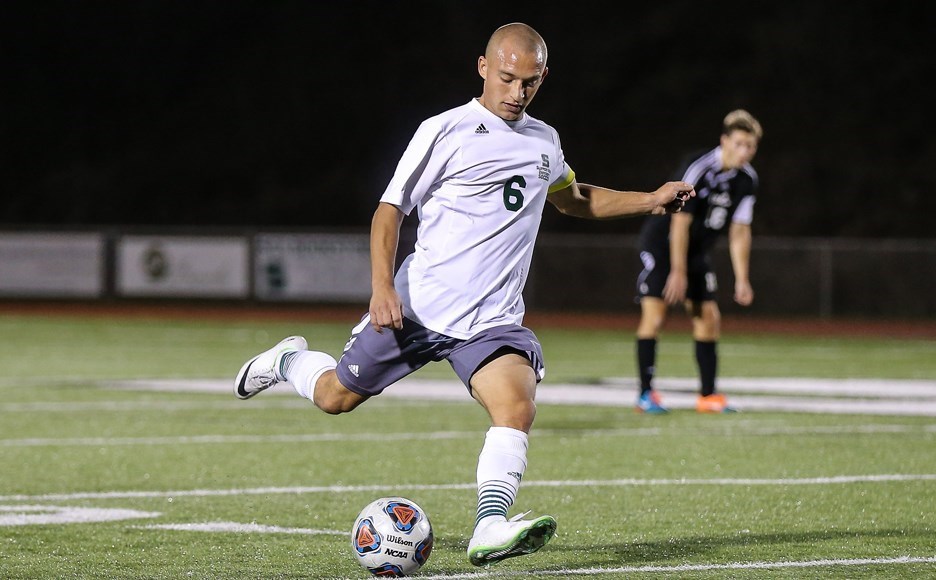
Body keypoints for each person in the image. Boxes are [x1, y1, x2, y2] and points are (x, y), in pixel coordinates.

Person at [234, 23, 692, 567]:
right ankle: (287, 361)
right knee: (336, 397)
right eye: (507, 78)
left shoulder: (544, 140)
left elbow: (573, 198)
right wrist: (382, 287)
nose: (517, 92)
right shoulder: (445, 130)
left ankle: (490, 525)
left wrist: (651, 200)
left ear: (543, 77)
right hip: (418, 308)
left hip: (491, 321)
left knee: (516, 406)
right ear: (483, 67)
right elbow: (390, 210)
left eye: (529, 82)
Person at [633, 110, 762, 414]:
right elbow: (679, 222)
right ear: (724, 141)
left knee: (708, 318)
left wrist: (742, 278)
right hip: (663, 245)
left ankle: (708, 396)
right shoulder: (699, 167)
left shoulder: (747, 180)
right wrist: (677, 272)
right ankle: (645, 395)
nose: (745, 151)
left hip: (696, 251)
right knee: (656, 314)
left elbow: (740, 231)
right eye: (739, 143)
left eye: (751, 146)